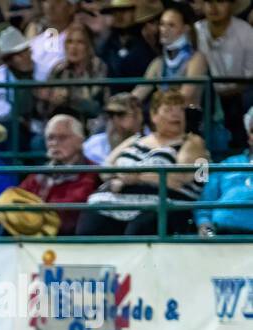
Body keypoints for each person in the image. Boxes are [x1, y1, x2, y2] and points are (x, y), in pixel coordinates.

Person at [77, 88, 207, 235]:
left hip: (163, 201)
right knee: (91, 224)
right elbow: (106, 169)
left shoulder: (192, 142)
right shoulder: (136, 140)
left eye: (180, 110)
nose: (176, 114)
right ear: (154, 115)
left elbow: (180, 178)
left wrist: (137, 178)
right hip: (116, 197)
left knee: (139, 229)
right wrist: (121, 178)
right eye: (169, 109)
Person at [18, 113, 100, 232]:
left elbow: (71, 212)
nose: (54, 143)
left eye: (62, 138)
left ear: (80, 141)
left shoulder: (92, 173)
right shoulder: (40, 173)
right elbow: (18, 196)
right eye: (50, 138)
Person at [196, 0, 253, 154]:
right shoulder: (196, 31)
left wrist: (223, 93)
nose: (213, 7)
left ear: (231, 4)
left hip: (239, 96)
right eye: (209, 2)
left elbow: (249, 78)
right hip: (205, 97)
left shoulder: (246, 32)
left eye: (220, 1)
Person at [0, 26, 41, 147]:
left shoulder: (42, 73)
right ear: (8, 60)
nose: (26, 57)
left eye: (26, 51)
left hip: (38, 130)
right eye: (19, 55)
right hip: (3, 133)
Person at [136, 2, 209, 108]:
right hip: (165, 117)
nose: (164, 30)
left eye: (171, 25)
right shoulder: (159, 63)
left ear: (185, 29)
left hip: (194, 121)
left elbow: (185, 97)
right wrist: (124, 102)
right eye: (162, 24)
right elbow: (139, 92)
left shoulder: (197, 60)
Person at [38, 22, 109, 129]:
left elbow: (95, 107)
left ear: (89, 46)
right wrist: (48, 98)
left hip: (91, 125)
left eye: (80, 42)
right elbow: (42, 109)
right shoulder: (58, 70)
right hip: (60, 124)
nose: (73, 48)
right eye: (69, 42)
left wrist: (69, 97)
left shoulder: (98, 67)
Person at [197, 105, 253, 235]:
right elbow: (205, 204)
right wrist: (204, 224)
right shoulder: (227, 164)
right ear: (249, 136)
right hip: (224, 233)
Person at [98, 0, 157, 89]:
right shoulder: (107, 44)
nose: (119, 15)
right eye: (115, 11)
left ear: (136, 12)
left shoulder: (146, 42)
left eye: (124, 10)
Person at [83, 90, 147, 160]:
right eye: (110, 115)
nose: (114, 120)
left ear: (138, 117)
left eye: (121, 114)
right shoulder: (93, 145)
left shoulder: (151, 143)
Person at [27, 0, 78, 79]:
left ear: (71, 8)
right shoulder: (36, 41)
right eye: (47, 1)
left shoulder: (77, 40)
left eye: (57, 2)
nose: (50, 6)